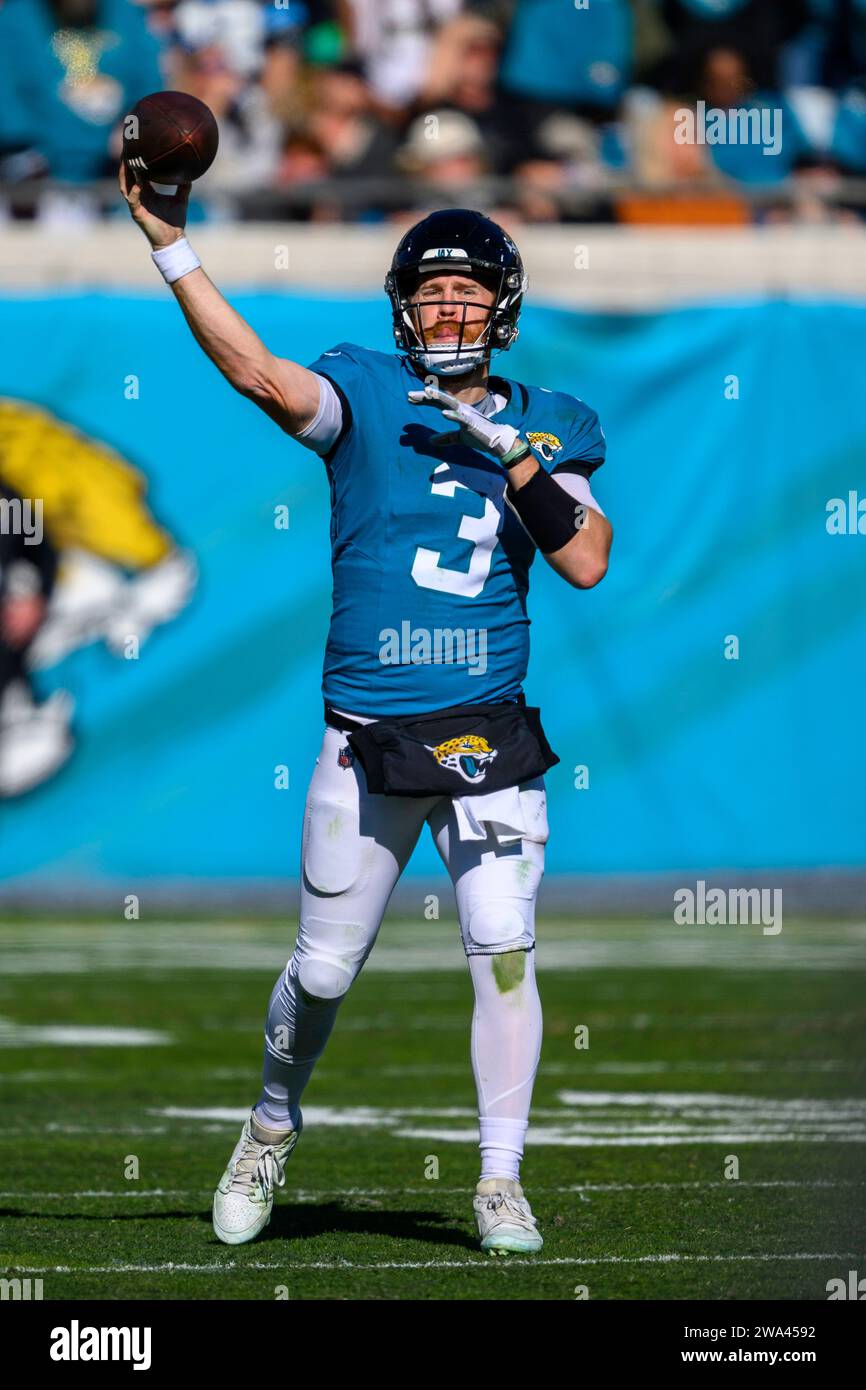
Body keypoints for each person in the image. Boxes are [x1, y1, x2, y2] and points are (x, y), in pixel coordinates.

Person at [119, 164, 613, 1254]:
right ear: (400, 308)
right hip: (368, 727)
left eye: (467, 291)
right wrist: (170, 245)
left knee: (502, 941)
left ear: (504, 306)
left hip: (486, 726)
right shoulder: (367, 390)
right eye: (430, 292)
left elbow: (583, 558)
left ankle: (497, 1180)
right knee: (327, 967)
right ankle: (267, 1123)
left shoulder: (551, 421)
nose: (448, 308)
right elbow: (257, 374)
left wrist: (507, 450)